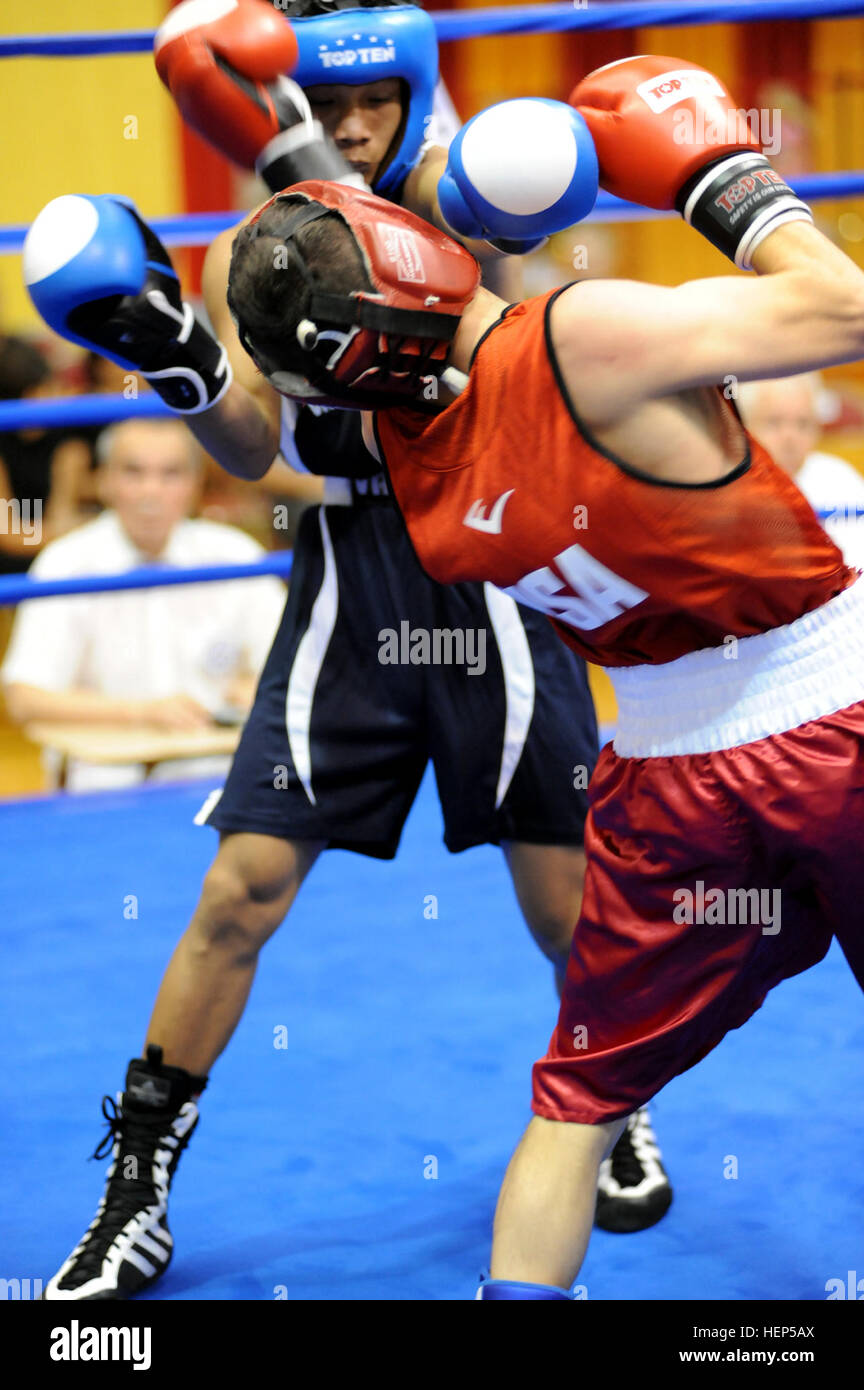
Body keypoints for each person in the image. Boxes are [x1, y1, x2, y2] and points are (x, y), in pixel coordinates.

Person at [24, 0, 668, 1301]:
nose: (362, 122)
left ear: (413, 95)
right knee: (238, 890)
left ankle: (617, 1095)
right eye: (338, 100)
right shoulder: (250, 252)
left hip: (487, 567)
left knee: (564, 905)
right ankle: (135, 1194)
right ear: (289, 98)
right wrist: (186, 362)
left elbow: (536, 357)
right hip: (352, 590)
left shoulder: (479, 198)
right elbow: (256, 451)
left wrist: (438, 242)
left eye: (379, 100)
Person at [217, 52, 864, 1299]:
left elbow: (383, 353)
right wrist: (715, 178)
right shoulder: (587, 333)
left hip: (667, 782)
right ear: (411, 268)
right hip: (834, 716)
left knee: (578, 1101)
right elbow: (843, 312)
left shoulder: (418, 483)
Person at [2, 416, 286, 791]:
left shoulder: (235, 555)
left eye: (171, 473)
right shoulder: (66, 564)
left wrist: (260, 687)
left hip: (220, 781)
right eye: (133, 472)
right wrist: (144, 713)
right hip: (101, 790)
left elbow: (292, 668)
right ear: (103, 480)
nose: (151, 490)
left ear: (196, 483)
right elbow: (22, 697)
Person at [738, 373, 864, 568]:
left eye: (803, 424)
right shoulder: (726, 488)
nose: (790, 437)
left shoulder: (840, 479)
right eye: (774, 422)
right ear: (745, 427)